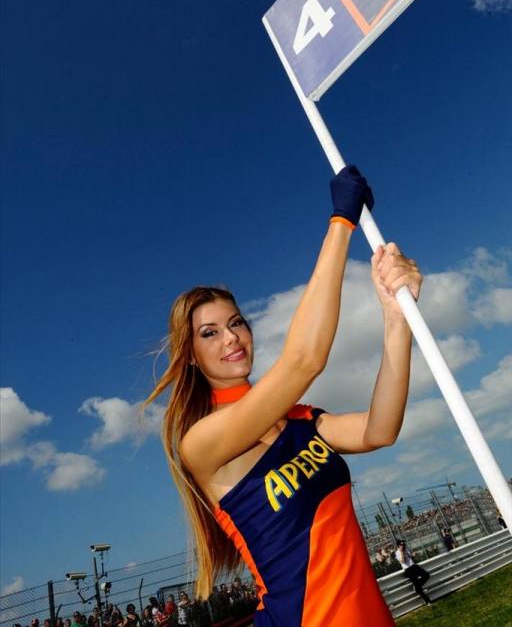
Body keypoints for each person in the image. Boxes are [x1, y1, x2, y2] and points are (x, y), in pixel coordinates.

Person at [146, 166, 423, 626]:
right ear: (191, 357)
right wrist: (341, 222)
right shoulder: (203, 443)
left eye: (236, 323)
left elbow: (381, 429)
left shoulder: (303, 420)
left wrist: (396, 320)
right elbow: (304, 360)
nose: (231, 339)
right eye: (209, 333)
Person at [395, 540, 432, 604]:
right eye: (402, 544)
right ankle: (427, 601)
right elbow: (403, 561)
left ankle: (417, 585)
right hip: (408, 569)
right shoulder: (397, 552)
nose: (403, 545)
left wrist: (413, 555)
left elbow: (410, 556)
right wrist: (402, 552)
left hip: (414, 566)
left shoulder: (406, 548)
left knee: (426, 575)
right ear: (399, 546)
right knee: (418, 588)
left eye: (404, 544)